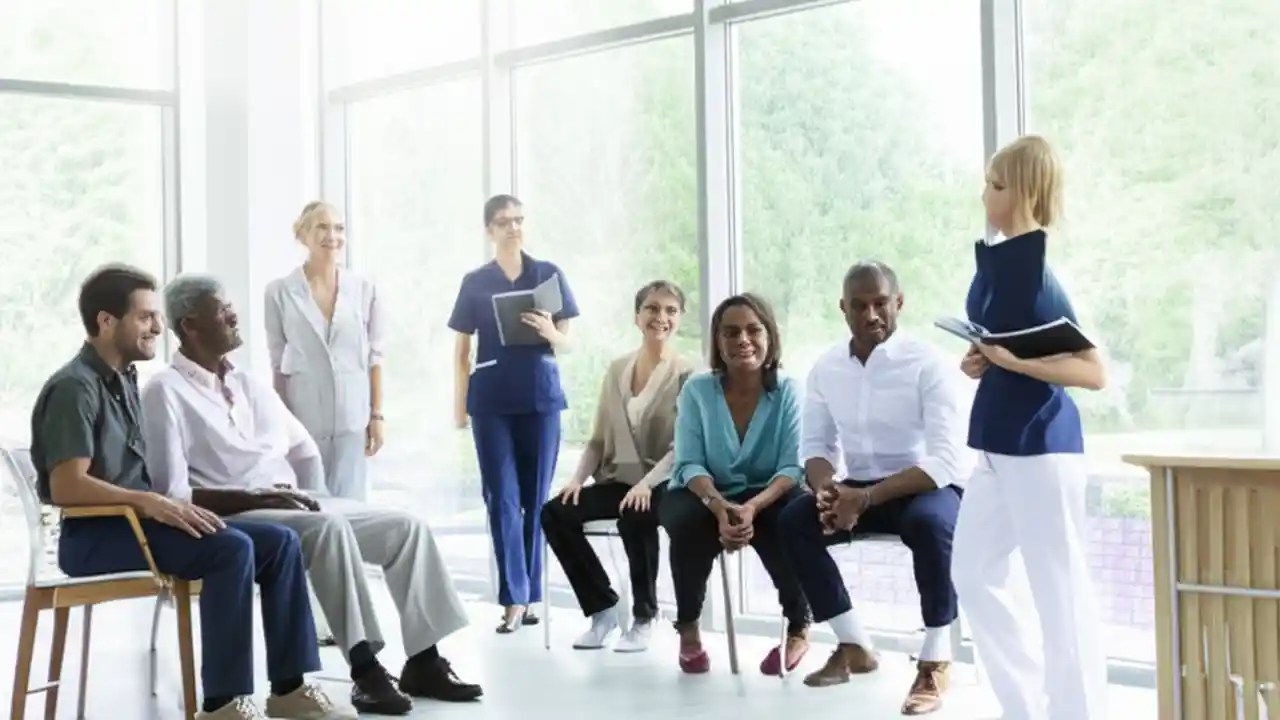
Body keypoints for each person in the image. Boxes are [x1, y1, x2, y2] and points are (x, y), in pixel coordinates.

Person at [141, 274, 482, 717]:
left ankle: (424, 661)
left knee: (405, 527)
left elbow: (302, 449)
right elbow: (174, 492)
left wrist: (312, 496)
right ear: (190, 325)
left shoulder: (248, 383)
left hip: (290, 505)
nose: (233, 314)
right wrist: (258, 496)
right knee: (328, 528)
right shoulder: (164, 391)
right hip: (239, 516)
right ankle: (365, 670)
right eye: (222, 308)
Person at [31, 264, 353, 720]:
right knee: (230, 549)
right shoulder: (74, 387)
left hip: (136, 527)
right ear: (107, 322)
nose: (158, 328)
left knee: (281, 543)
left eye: (156, 317)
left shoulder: (123, 380)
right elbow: (66, 485)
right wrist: (152, 502)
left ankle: (289, 689)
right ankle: (223, 703)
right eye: (145, 318)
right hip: (95, 538)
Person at [951, 135, 1108, 720]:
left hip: (1043, 449)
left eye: (995, 184)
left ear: (1023, 192)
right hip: (996, 447)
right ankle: (1025, 705)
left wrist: (1016, 363)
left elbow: (1093, 371)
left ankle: (1077, 713)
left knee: (1059, 591)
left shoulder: (1041, 276)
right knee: (971, 570)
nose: (985, 194)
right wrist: (981, 360)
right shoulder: (1000, 266)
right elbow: (1000, 346)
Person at [778, 261, 975, 715]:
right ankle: (854, 646)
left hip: (924, 486)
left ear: (898, 303)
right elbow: (814, 446)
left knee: (931, 525)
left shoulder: (929, 364)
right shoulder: (827, 368)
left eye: (881, 303)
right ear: (843, 309)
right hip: (857, 486)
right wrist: (828, 491)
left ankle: (934, 658)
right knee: (794, 520)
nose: (871, 314)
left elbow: (945, 460)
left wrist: (863, 499)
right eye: (860, 305)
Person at [659, 293, 811, 675]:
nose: (742, 339)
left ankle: (798, 628)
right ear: (718, 342)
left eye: (753, 330)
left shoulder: (789, 391)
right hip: (705, 491)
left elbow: (792, 466)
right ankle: (689, 630)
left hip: (769, 491)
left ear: (769, 337)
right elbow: (688, 461)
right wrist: (718, 506)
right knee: (685, 521)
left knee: (793, 517)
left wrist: (751, 508)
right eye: (730, 332)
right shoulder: (696, 390)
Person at [541, 280, 695, 652]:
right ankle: (603, 609)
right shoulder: (617, 370)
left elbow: (685, 446)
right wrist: (577, 479)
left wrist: (646, 484)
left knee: (635, 510)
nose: (661, 317)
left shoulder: (690, 373)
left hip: (666, 483)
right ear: (637, 316)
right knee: (555, 513)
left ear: (680, 319)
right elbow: (597, 439)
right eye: (653, 309)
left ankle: (644, 616)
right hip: (620, 479)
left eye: (671, 311)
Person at [449, 194, 580, 633]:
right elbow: (462, 349)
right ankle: (513, 598)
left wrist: (549, 331)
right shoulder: (476, 281)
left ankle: (533, 593)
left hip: (540, 397)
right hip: (490, 399)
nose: (514, 228)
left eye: (520, 220)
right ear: (489, 229)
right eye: (505, 222)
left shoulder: (548, 273)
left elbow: (567, 340)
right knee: (501, 498)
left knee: (535, 498)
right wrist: (459, 404)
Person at [264, 201, 384, 502]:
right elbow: (277, 363)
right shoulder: (279, 292)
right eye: (322, 227)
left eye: (338, 228)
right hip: (304, 417)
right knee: (310, 505)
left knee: (354, 507)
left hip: (352, 420)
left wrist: (377, 416)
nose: (332, 235)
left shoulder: (364, 288)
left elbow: (375, 357)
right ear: (303, 235)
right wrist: (282, 424)